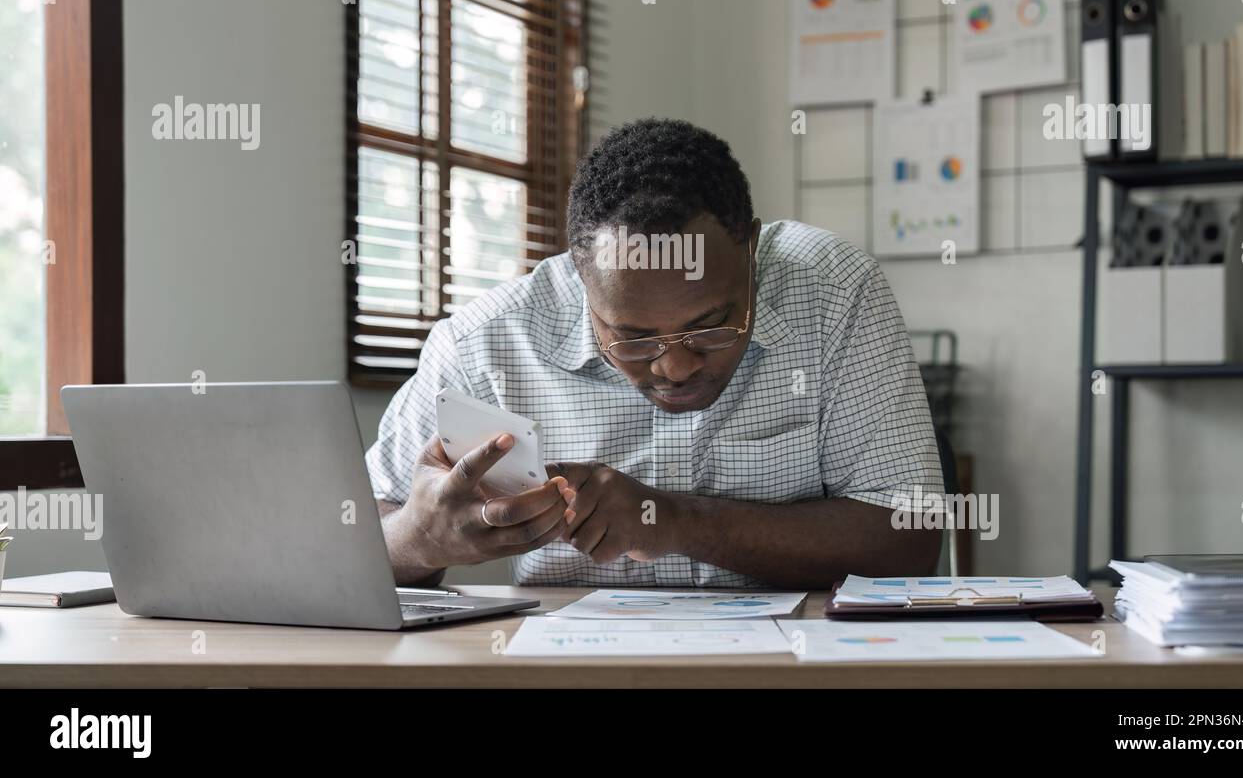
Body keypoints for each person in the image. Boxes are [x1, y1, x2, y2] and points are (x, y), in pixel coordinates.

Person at [368, 117, 943, 588]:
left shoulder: (834, 294)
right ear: (579, 278)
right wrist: (422, 537)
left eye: (712, 324)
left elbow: (910, 540)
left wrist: (672, 520)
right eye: (634, 337)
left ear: (752, 250)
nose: (675, 367)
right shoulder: (485, 342)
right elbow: (354, 543)